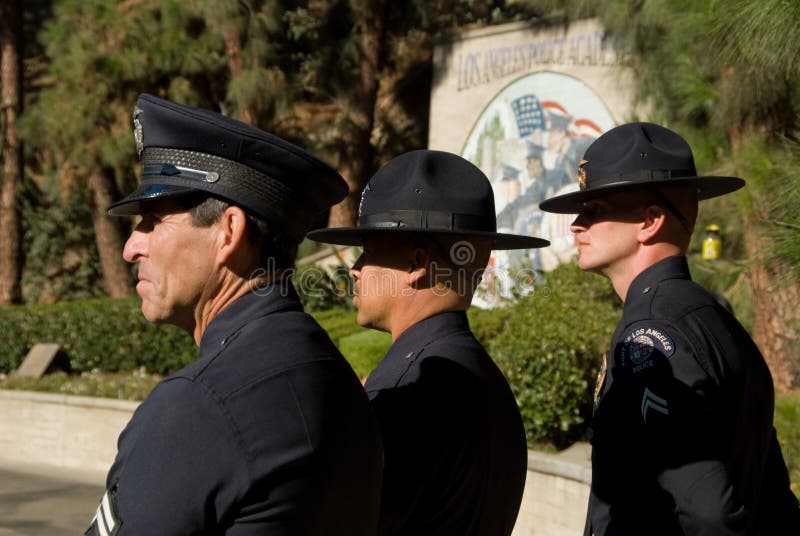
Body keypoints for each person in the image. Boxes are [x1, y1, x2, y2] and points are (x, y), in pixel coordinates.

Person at [85, 94, 383, 535]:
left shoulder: (201, 405)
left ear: (228, 232)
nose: (131, 247)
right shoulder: (330, 373)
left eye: (151, 220)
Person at [538, 122, 800, 535]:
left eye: (596, 210)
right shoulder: (714, 317)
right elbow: (771, 495)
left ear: (650, 221)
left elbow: (711, 513)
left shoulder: (650, 332)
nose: (576, 224)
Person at [308, 150, 549, 535]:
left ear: (417, 264)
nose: (354, 270)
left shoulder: (410, 388)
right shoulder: (482, 374)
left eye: (367, 252)